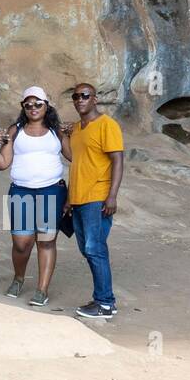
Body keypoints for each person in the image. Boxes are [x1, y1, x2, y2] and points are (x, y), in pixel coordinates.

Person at [0, 86, 68, 308]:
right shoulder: (15, 131)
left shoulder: (57, 131)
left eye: (38, 104)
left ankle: (42, 289)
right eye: (28, 105)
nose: (33, 108)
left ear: (46, 105)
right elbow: (3, 164)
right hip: (21, 190)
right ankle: (18, 278)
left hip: (51, 190)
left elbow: (73, 155)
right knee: (22, 243)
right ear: (23, 108)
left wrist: (78, 133)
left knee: (46, 240)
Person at [62, 82, 125, 319]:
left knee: (95, 248)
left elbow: (117, 160)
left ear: (95, 99)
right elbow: (74, 159)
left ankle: (106, 303)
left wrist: (112, 195)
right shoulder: (77, 129)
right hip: (78, 198)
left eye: (85, 96)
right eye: (76, 96)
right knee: (87, 249)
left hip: (97, 198)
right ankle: (101, 298)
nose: (80, 99)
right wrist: (69, 198)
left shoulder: (107, 125)